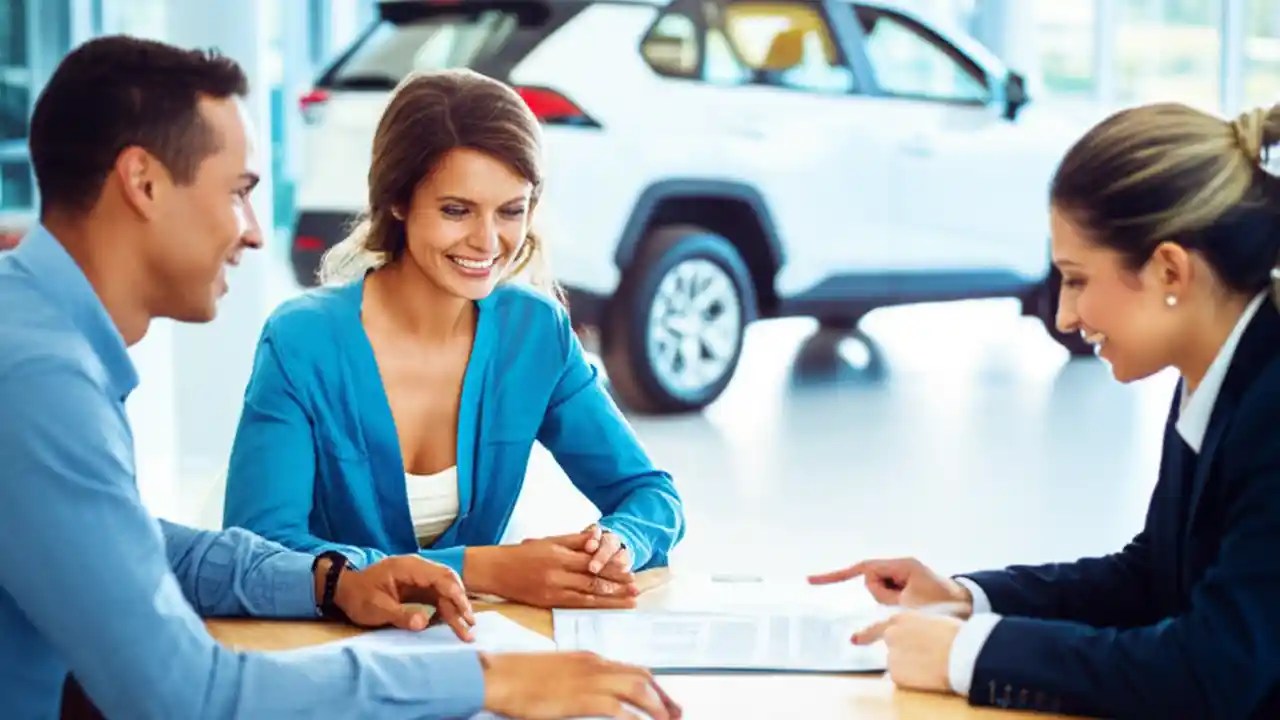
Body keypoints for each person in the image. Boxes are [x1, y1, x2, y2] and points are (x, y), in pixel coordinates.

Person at [0, 35, 680, 720]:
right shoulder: (40, 380)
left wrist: (334, 580)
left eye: (511, 209)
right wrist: (485, 679)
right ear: (143, 183)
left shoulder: (34, 337)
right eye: (238, 193)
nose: (255, 233)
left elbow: (147, 547)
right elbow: (189, 694)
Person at [810, 101, 1280, 719]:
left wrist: (968, 654)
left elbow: (1214, 671)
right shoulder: (1220, 374)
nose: (1063, 315)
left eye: (1077, 279)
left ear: (1170, 270)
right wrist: (966, 600)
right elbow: (1152, 579)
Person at [221, 69, 685, 609]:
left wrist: (617, 543)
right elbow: (261, 554)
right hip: (317, 647)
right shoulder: (303, 340)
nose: (487, 241)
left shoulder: (536, 334)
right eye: (456, 210)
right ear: (397, 200)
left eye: (511, 211)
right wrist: (486, 569)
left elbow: (652, 496)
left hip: (471, 644)